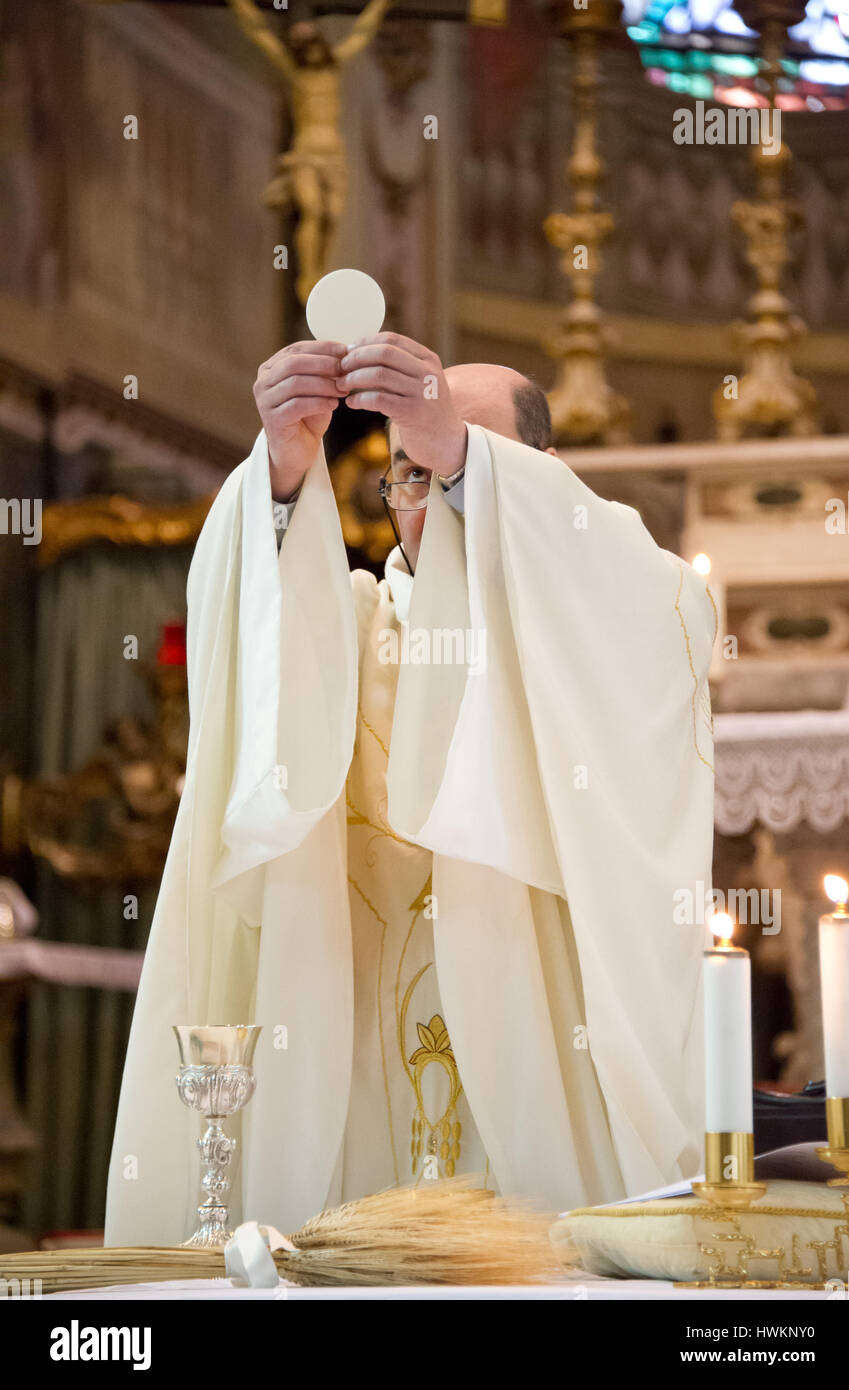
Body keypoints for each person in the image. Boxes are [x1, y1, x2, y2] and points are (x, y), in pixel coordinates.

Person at [104, 331, 716, 1246]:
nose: (425, 484)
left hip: (541, 1076)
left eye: (454, 451)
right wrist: (279, 470)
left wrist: (465, 458)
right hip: (348, 1083)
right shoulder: (341, 631)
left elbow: (661, 612)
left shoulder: (602, 612)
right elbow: (260, 635)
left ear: (540, 475)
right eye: (409, 467)